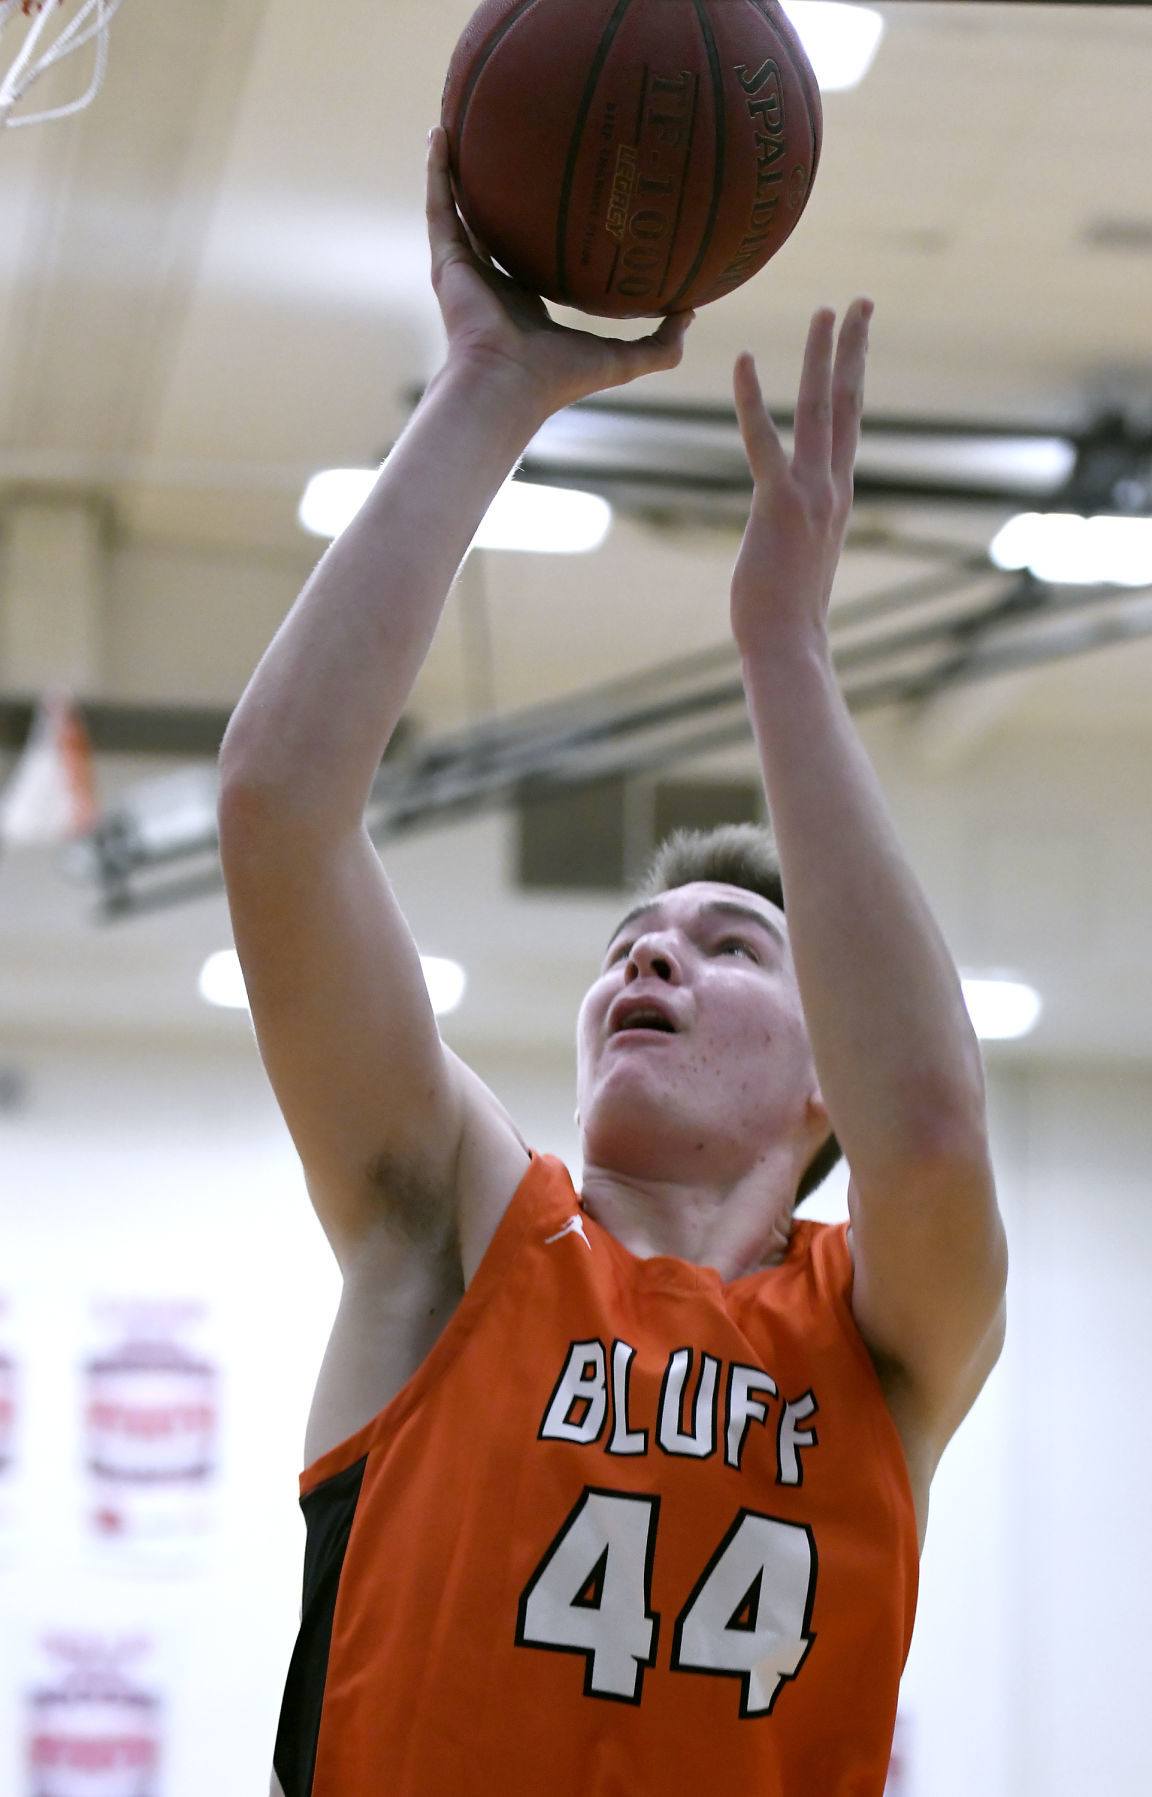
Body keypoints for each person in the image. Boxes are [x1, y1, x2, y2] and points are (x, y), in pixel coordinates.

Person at [218, 127, 1007, 1797]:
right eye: (631, 942)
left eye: (731, 948)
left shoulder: (884, 1336)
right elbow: (282, 815)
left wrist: (785, 651)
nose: (654, 956)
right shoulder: (451, 1224)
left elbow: (931, 1129)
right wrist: (490, 387)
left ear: (821, 1084)